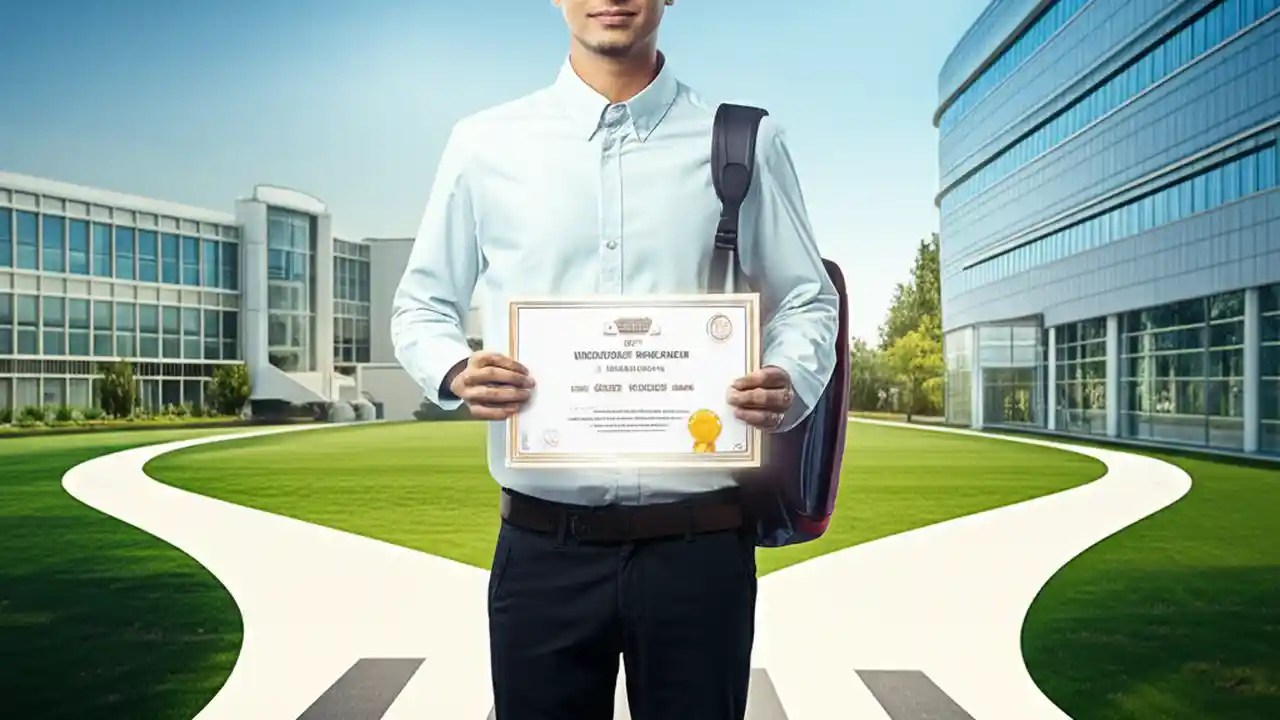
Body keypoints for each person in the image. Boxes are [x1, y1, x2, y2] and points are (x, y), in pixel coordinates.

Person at [390, 1, 837, 717]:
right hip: (542, 554)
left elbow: (808, 301)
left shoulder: (744, 140)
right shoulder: (484, 145)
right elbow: (419, 307)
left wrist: (790, 377)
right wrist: (453, 368)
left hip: (702, 548)